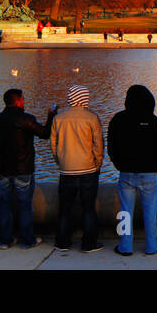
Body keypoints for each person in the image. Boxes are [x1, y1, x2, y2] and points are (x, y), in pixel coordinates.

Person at [0, 89, 57, 250]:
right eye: (23, 99)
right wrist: (51, 115)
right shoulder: (26, 119)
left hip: (4, 170)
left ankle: (5, 240)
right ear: (17, 101)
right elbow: (45, 133)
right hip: (23, 169)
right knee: (24, 205)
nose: (24, 101)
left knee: (4, 204)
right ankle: (27, 240)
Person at [107, 84, 157, 256]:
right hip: (149, 173)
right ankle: (152, 246)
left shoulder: (118, 119)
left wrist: (118, 164)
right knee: (150, 211)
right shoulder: (152, 120)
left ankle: (125, 246)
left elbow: (111, 147)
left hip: (126, 173)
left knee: (125, 212)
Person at [50, 85, 104, 252]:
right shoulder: (91, 118)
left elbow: (53, 144)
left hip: (67, 169)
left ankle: (62, 242)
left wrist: (60, 161)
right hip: (88, 168)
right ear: (85, 98)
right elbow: (98, 145)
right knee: (88, 208)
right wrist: (98, 163)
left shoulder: (58, 118)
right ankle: (89, 243)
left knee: (65, 208)